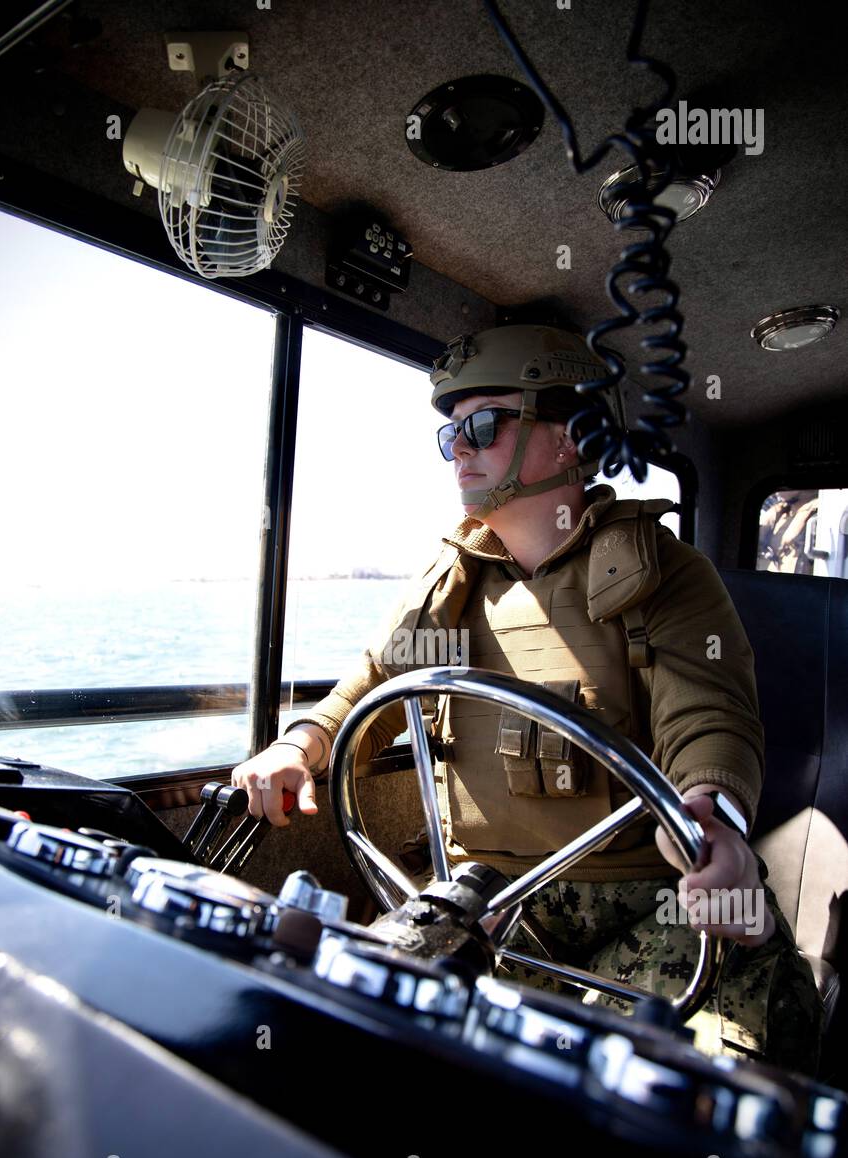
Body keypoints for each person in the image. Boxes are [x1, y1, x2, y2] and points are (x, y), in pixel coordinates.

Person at [232, 324, 824, 1077]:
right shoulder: (454, 587)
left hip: (645, 905)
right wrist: (300, 746)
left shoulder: (666, 575)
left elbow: (706, 718)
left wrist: (710, 818)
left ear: (570, 438)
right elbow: (374, 687)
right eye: (450, 436)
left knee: (717, 1047)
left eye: (481, 425)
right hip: (486, 909)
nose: (460, 449)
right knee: (339, 1039)